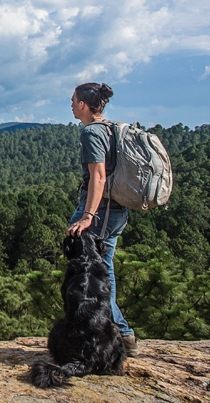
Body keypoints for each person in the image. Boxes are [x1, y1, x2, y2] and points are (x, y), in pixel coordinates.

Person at [65, 82, 137, 357]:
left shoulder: (92, 133)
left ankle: (121, 332)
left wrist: (87, 216)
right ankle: (116, 332)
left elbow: (98, 176)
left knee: (95, 272)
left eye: (73, 100)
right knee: (103, 269)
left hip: (101, 212)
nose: (71, 105)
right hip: (115, 210)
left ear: (83, 104)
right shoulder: (111, 129)